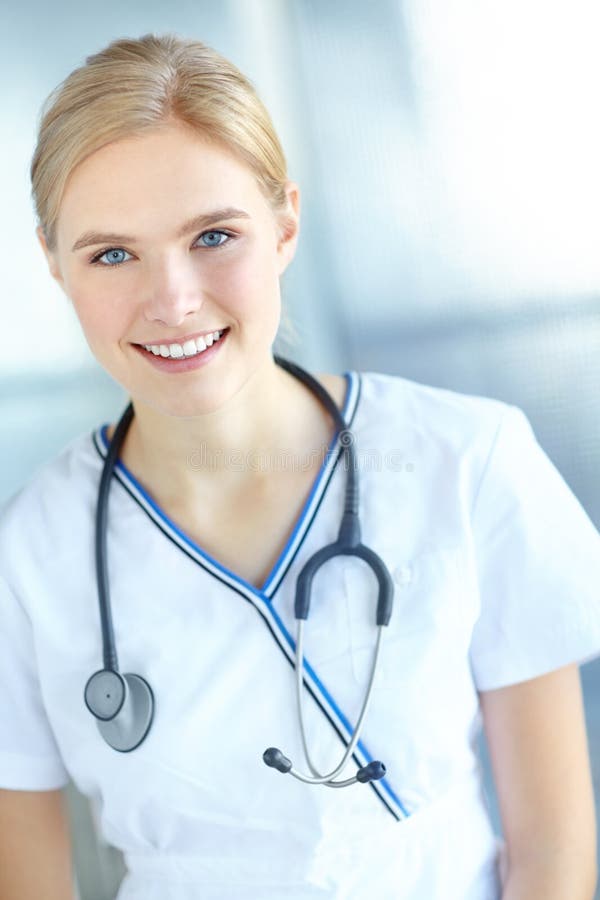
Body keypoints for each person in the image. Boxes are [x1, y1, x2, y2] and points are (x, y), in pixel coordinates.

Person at [1, 31, 599, 900]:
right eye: (113, 253)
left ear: (284, 223)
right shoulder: (27, 554)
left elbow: (553, 856)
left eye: (213, 235)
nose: (172, 300)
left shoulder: (467, 462)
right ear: (55, 265)